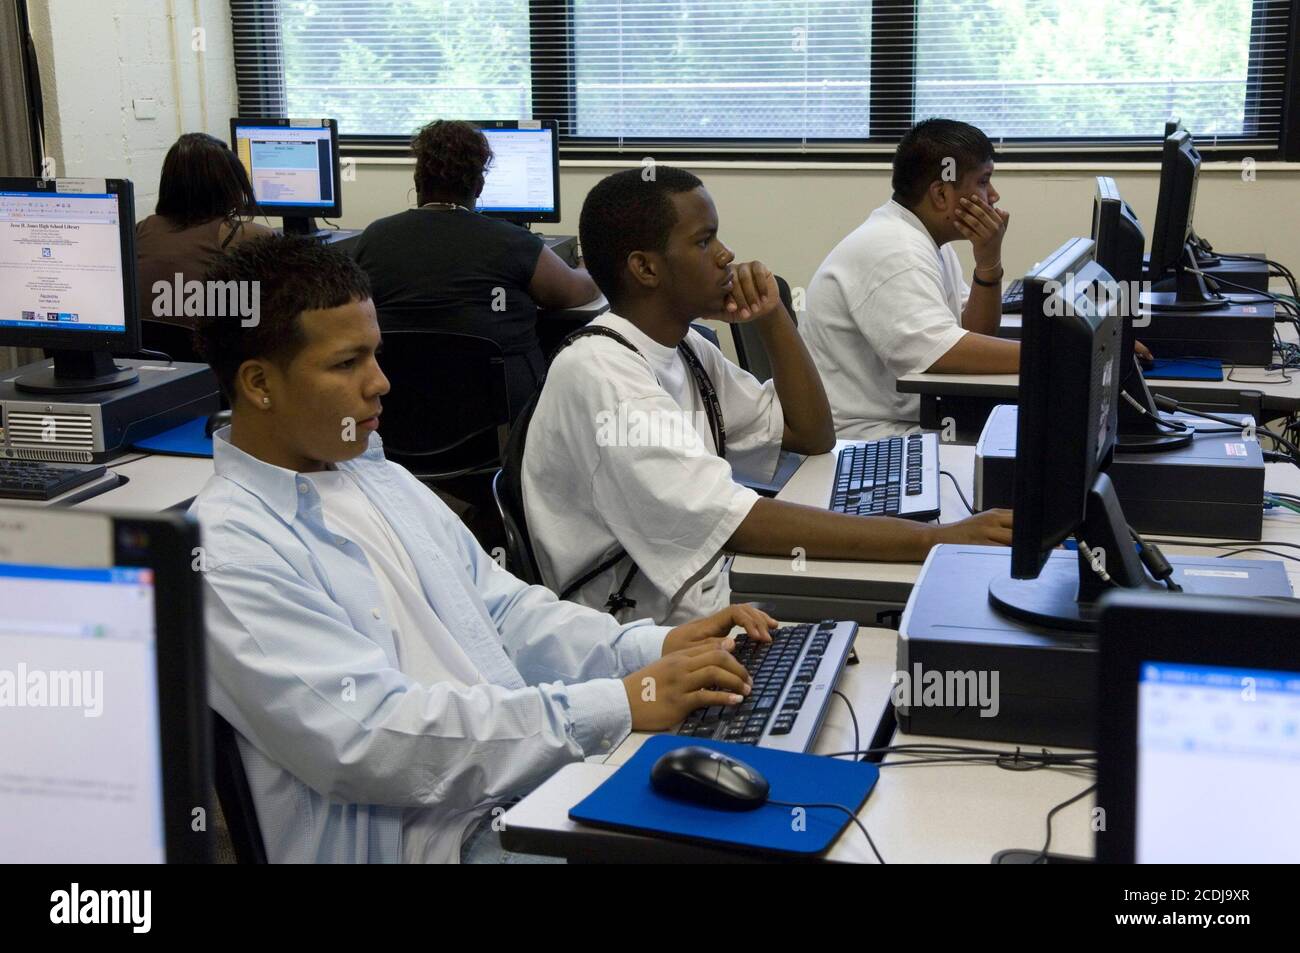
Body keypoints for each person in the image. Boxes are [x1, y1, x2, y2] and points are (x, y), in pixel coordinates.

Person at [190, 233, 773, 863]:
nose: (380, 383)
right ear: (258, 384)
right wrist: (619, 704)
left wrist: (653, 646)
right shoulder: (229, 553)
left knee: (767, 805)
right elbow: (374, 740)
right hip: (436, 843)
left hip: (513, 792)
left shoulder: (370, 474)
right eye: (346, 364)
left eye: (376, 356)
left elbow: (504, 613)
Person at [521, 167, 1012, 626]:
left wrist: (773, 316)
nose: (726, 255)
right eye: (704, 240)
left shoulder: (687, 347)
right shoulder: (602, 372)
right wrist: (933, 539)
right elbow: (740, 523)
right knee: (920, 596)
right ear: (645, 269)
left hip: (700, 575)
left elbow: (811, 434)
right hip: (640, 621)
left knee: (917, 581)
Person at [803, 118, 1149, 440]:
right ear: (941, 194)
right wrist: (1071, 352)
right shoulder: (894, 250)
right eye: (983, 181)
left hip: (910, 420)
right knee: (1041, 444)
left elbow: (974, 336)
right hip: (862, 436)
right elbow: (943, 354)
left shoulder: (924, 241)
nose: (994, 195)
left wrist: (988, 263)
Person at [352, 119, 598, 418]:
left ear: (418, 181)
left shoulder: (375, 238)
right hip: (499, 426)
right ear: (479, 185)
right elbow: (573, 294)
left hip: (401, 422)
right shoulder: (511, 241)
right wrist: (589, 265)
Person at [135, 132, 272, 327]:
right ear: (228, 186)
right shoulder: (249, 236)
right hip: (213, 356)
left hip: (142, 356)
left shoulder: (141, 230)